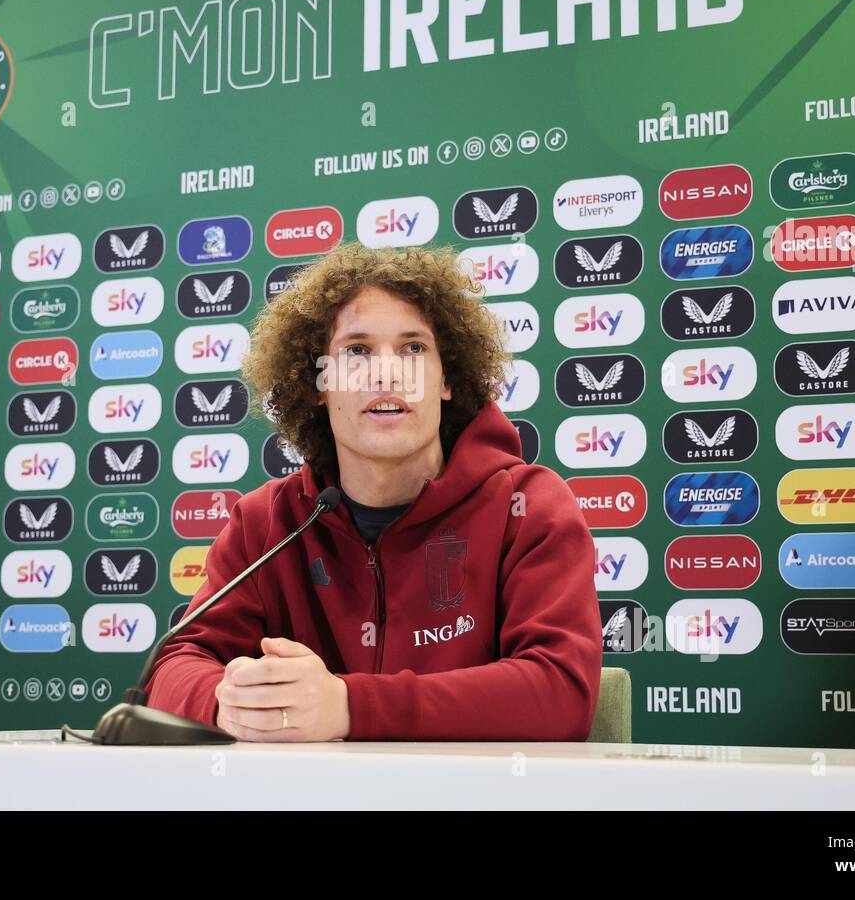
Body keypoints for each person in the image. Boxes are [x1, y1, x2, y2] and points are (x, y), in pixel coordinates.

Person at [147, 242, 602, 741]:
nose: (388, 373)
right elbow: (174, 665)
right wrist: (232, 705)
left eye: (413, 348)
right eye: (357, 350)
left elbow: (561, 693)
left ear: (446, 379)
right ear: (319, 383)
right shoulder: (267, 522)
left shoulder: (527, 506)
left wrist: (347, 706)